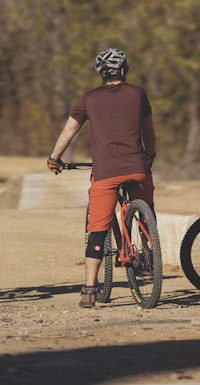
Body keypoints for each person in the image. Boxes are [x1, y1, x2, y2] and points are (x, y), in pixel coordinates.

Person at [47, 47, 156, 308]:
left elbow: (68, 132)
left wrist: (54, 158)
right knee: (147, 210)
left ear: (101, 73)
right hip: (137, 167)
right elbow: (149, 132)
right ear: (123, 70)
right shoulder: (138, 93)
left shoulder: (89, 98)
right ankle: (150, 250)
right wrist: (150, 157)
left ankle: (90, 290)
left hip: (106, 173)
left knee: (97, 229)